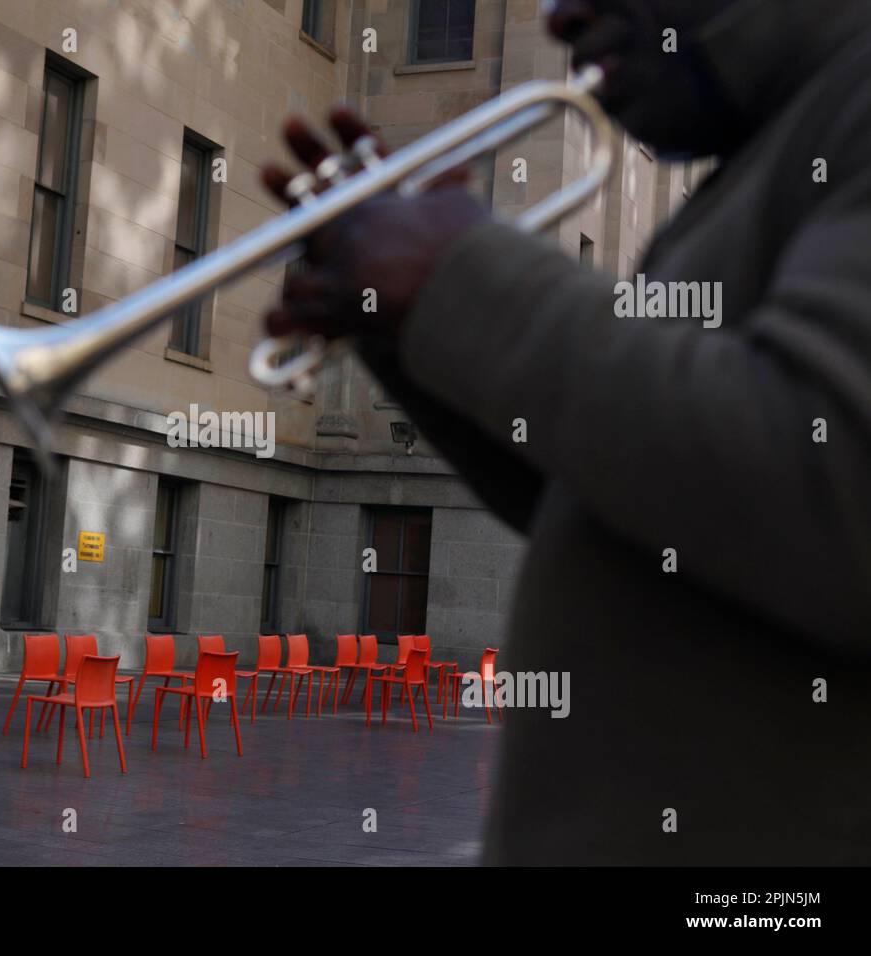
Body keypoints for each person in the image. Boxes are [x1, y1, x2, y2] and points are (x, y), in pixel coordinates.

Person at [262, 0, 871, 863]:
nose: (558, 16)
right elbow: (614, 494)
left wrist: (461, 272)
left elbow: (831, 482)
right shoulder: (772, 151)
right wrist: (403, 324)